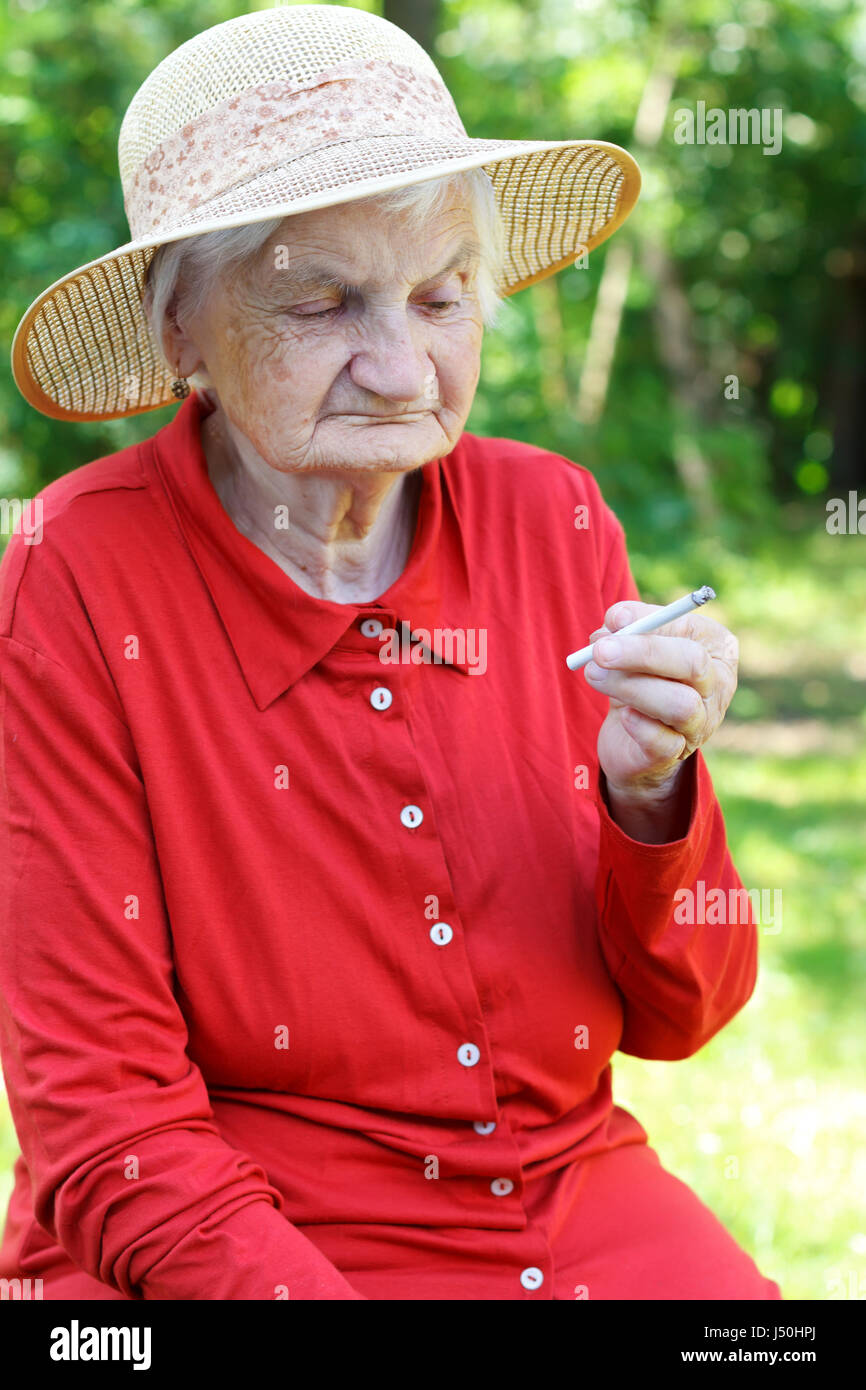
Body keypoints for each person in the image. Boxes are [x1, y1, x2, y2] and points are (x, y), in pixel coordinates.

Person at [0, 3, 781, 1300]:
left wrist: (652, 795)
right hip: (223, 1241)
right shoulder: (75, 575)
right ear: (180, 332)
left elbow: (686, 1012)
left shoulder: (555, 515)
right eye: (321, 301)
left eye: (439, 295)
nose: (399, 364)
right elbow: (105, 1123)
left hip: (567, 1200)